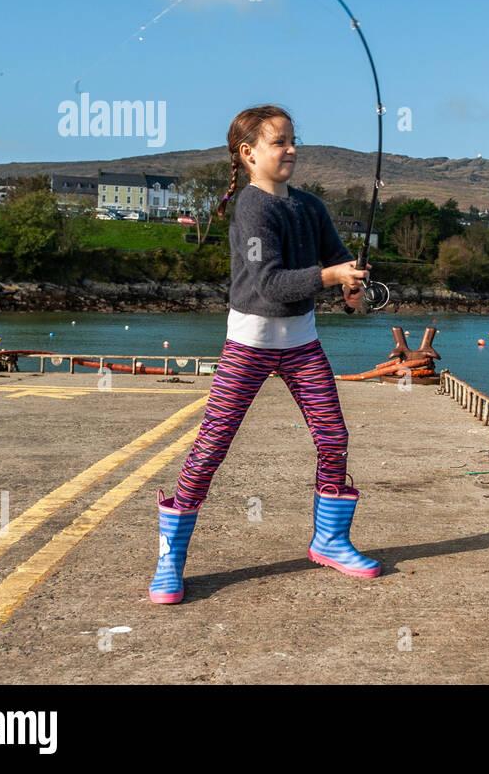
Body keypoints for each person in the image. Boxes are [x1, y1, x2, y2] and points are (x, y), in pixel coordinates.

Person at [149, 104, 379, 604]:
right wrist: (331, 278)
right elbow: (270, 283)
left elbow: (337, 256)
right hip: (250, 344)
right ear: (249, 154)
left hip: (302, 343)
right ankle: (171, 558)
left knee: (333, 437)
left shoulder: (311, 206)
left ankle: (330, 541)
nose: (291, 149)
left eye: (293, 140)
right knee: (212, 446)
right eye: (280, 142)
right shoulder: (252, 208)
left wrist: (351, 283)